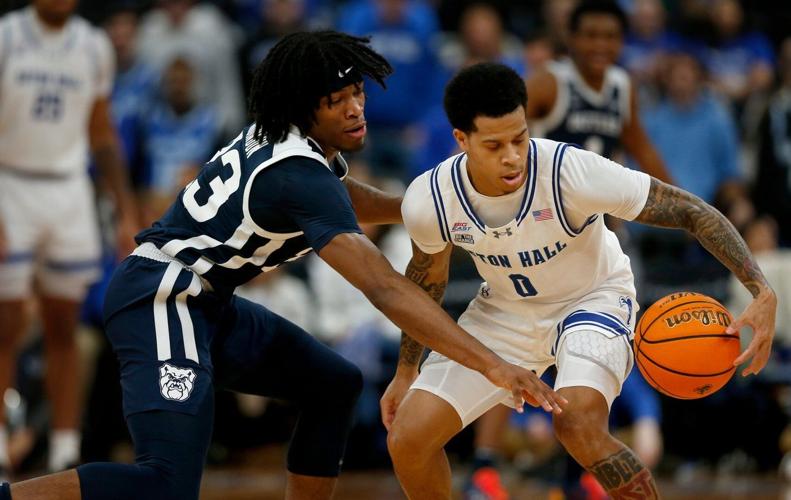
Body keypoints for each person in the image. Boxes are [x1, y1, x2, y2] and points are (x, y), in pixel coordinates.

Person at [0, 31, 566, 500]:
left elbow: (344, 198)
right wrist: (493, 365)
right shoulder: (296, 175)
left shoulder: (293, 144)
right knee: (163, 485)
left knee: (333, 384)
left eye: (357, 92)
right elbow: (387, 290)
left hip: (203, 301)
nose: (355, 108)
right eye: (336, 99)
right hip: (160, 300)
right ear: (304, 107)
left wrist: (417, 206)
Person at [381, 62, 776, 500]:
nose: (512, 155)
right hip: (503, 309)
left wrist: (760, 288)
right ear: (461, 140)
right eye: (494, 145)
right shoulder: (430, 199)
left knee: (576, 422)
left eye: (519, 138)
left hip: (593, 298)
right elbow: (424, 286)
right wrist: (405, 371)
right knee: (408, 438)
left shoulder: (570, 171)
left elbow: (690, 210)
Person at [0, 0, 137, 478]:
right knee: (7, 323)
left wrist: (124, 209)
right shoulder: (7, 36)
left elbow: (101, 132)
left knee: (65, 323)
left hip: (68, 189)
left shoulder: (94, 45)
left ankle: (63, 446)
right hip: (9, 182)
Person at [526, 0, 670, 182]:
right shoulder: (548, 81)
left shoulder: (622, 85)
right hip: (548, 200)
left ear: (622, 41)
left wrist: (683, 205)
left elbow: (643, 151)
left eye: (610, 36)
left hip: (596, 203)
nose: (600, 45)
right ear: (571, 38)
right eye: (591, 35)